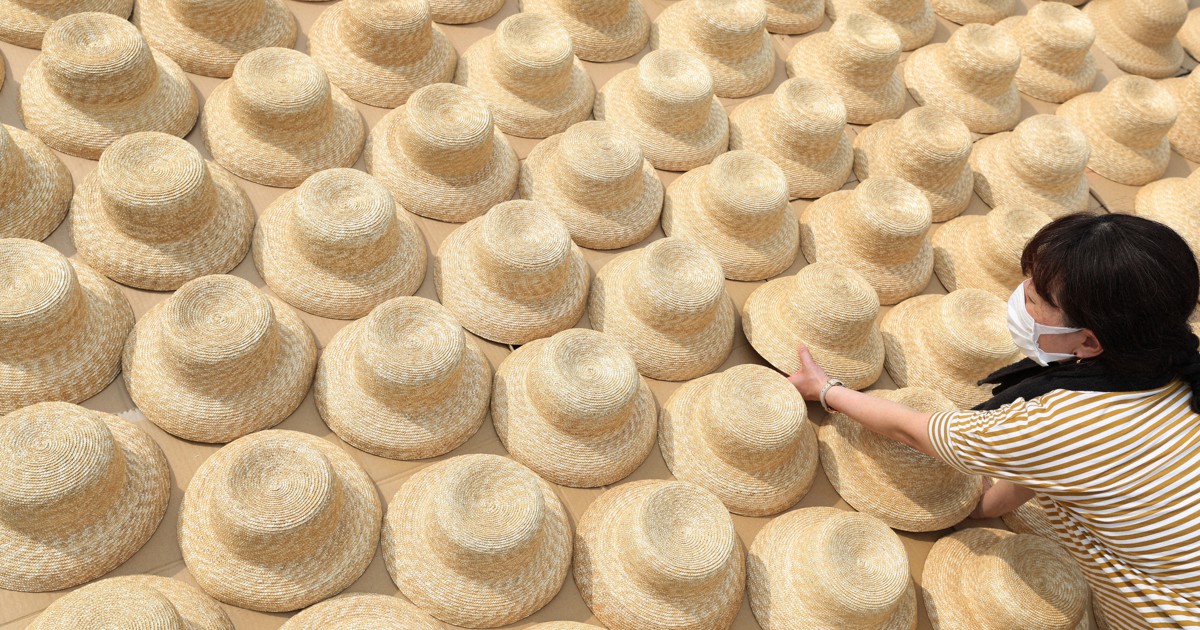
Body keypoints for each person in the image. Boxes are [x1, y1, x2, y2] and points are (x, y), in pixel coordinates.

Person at [787, 213, 1200, 629]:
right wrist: (985, 506)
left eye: (1037, 298)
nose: (1021, 296)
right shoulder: (1171, 364)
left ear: (1089, 341)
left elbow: (915, 431)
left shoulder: (1060, 423)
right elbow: (1052, 464)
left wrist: (827, 391)